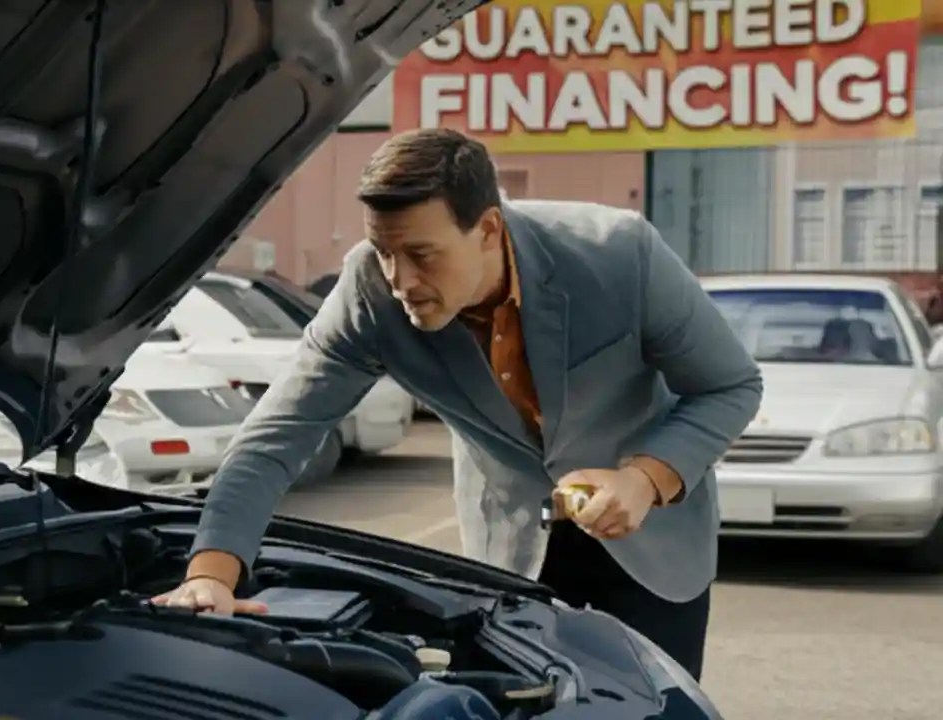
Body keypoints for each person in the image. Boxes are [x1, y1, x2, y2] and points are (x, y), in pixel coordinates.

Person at [152, 128, 762, 680]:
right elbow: (274, 438)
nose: (400, 280)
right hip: (511, 558)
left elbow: (731, 386)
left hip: (654, 546)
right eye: (384, 252)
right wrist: (210, 572)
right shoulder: (370, 293)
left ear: (489, 229)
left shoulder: (620, 254)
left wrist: (644, 479)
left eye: (422, 254)